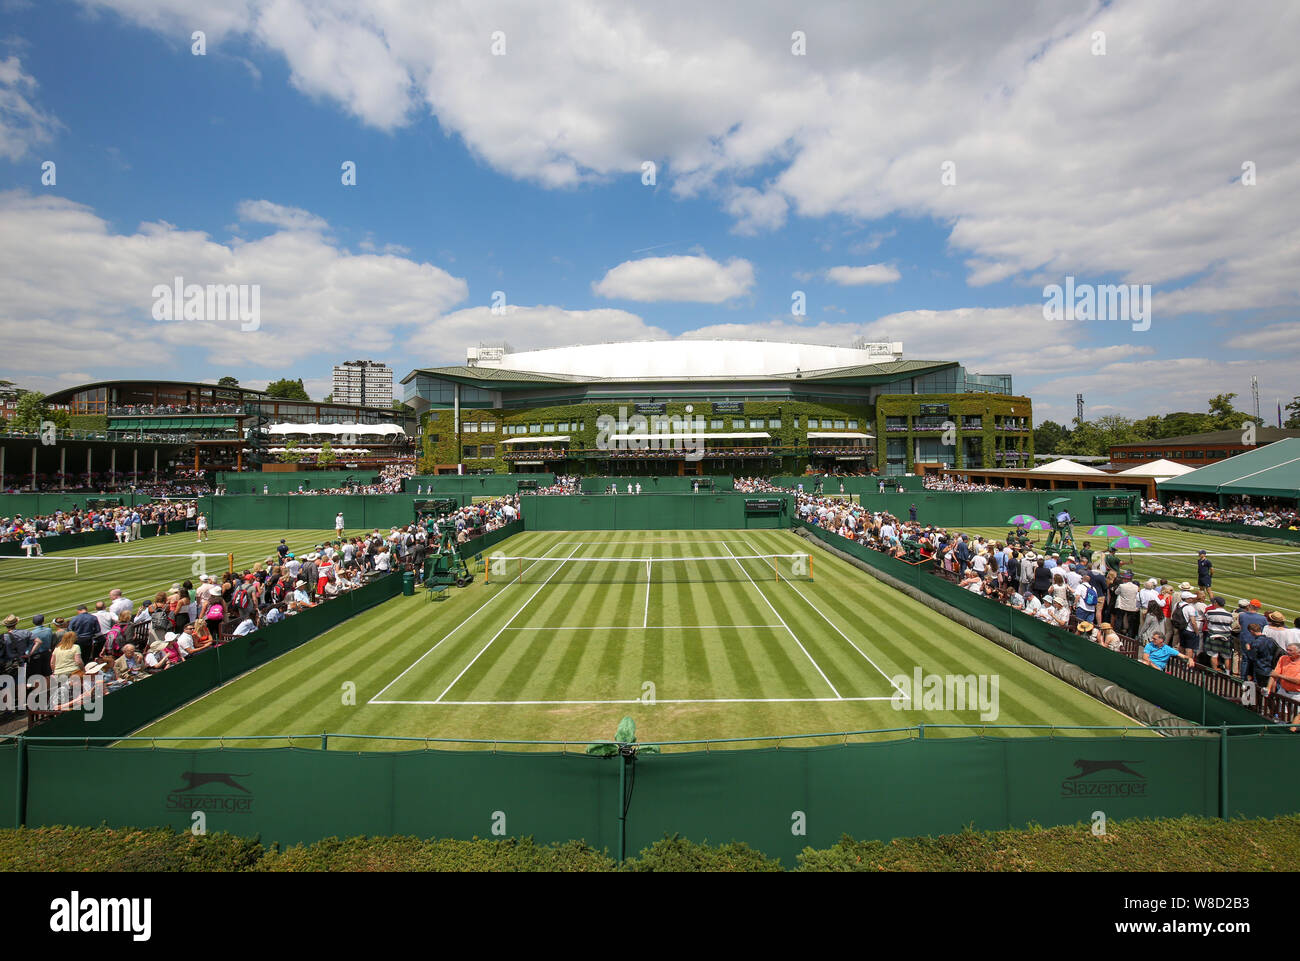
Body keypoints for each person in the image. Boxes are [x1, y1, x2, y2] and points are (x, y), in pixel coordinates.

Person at [1241, 622, 1278, 687]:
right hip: (1270, 667)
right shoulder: (1271, 640)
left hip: (1260, 668)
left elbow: (1252, 657)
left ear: (1251, 631)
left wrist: (1248, 649)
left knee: (1259, 687)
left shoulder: (1255, 643)